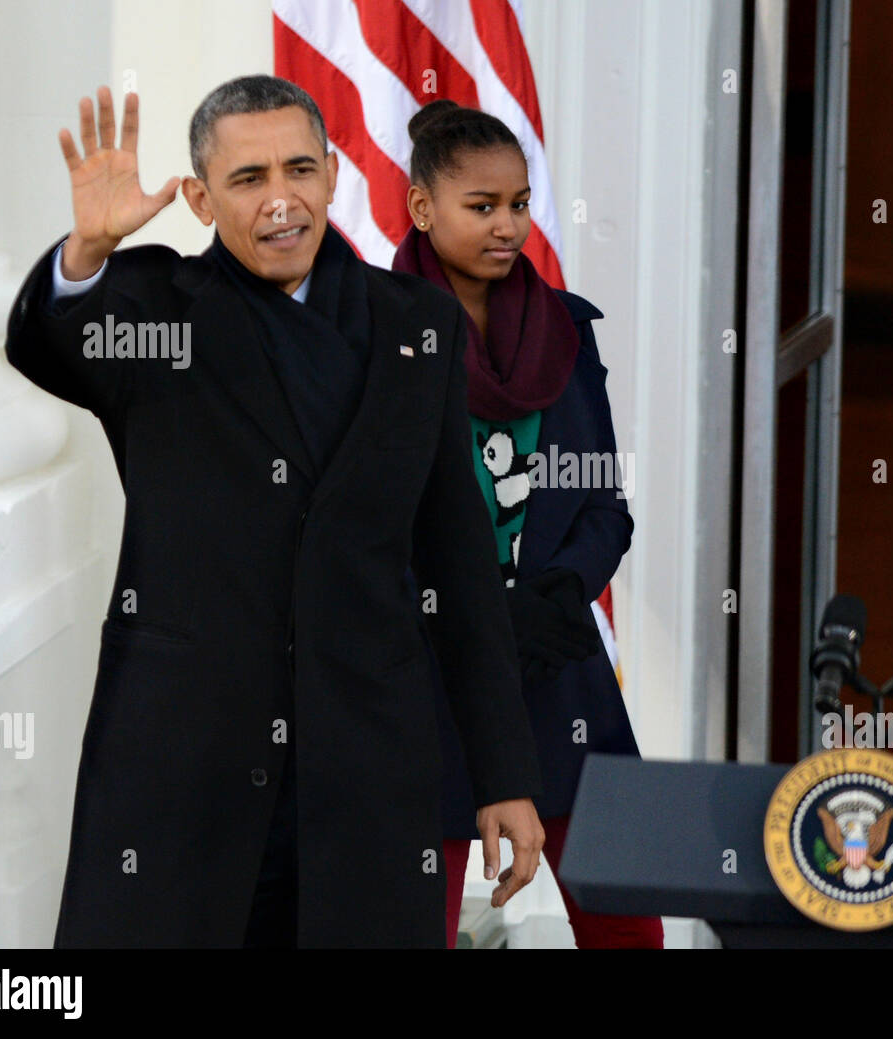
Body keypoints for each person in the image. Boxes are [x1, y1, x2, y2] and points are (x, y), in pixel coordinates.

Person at [4, 76, 546, 948]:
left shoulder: (422, 324)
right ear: (198, 196)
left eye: (300, 168)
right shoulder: (154, 312)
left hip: (364, 767)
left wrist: (504, 773)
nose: (280, 199)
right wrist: (84, 257)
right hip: (187, 766)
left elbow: (461, 563)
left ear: (336, 173)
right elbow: (46, 343)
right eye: (248, 179)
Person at [392, 100, 663, 948]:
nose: (507, 225)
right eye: (482, 206)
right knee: (409, 925)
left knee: (626, 921)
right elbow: (357, 522)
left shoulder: (569, 333)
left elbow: (604, 508)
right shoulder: (374, 335)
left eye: (519, 203)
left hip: (553, 664)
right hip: (423, 671)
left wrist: (556, 594)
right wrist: (459, 614)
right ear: (422, 207)